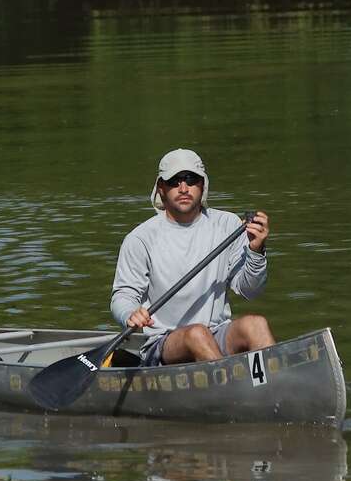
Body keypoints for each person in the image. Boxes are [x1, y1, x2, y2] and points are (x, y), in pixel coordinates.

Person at [111, 148, 275, 366]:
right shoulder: (140, 239)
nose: (183, 188)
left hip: (217, 333)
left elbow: (250, 291)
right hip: (163, 343)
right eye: (174, 181)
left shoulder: (228, 225)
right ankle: (233, 389)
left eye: (191, 179)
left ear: (203, 184)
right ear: (161, 188)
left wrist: (256, 251)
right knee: (196, 334)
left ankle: (278, 383)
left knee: (256, 323)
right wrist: (130, 314)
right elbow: (123, 295)